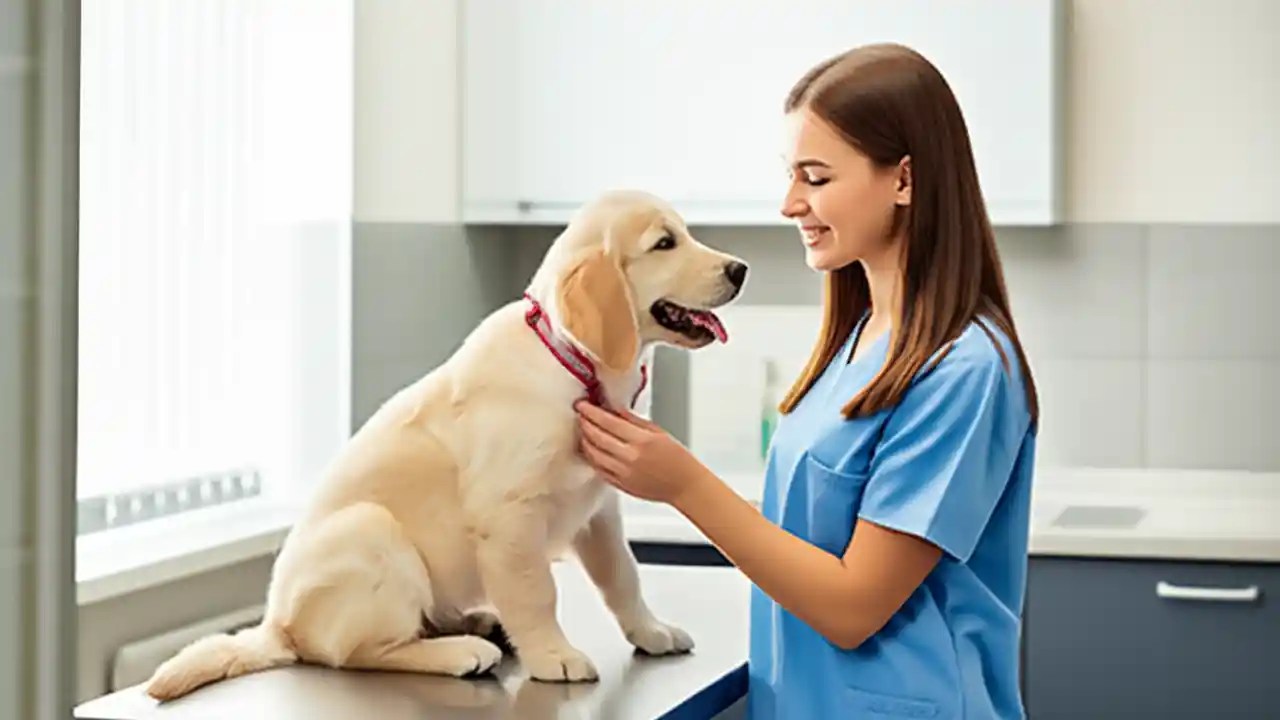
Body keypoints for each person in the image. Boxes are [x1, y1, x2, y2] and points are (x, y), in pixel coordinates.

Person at [574, 42, 1040, 720]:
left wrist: (682, 483)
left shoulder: (963, 370)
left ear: (903, 180)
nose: (791, 203)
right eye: (791, 175)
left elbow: (853, 606)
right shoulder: (858, 343)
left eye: (816, 178)